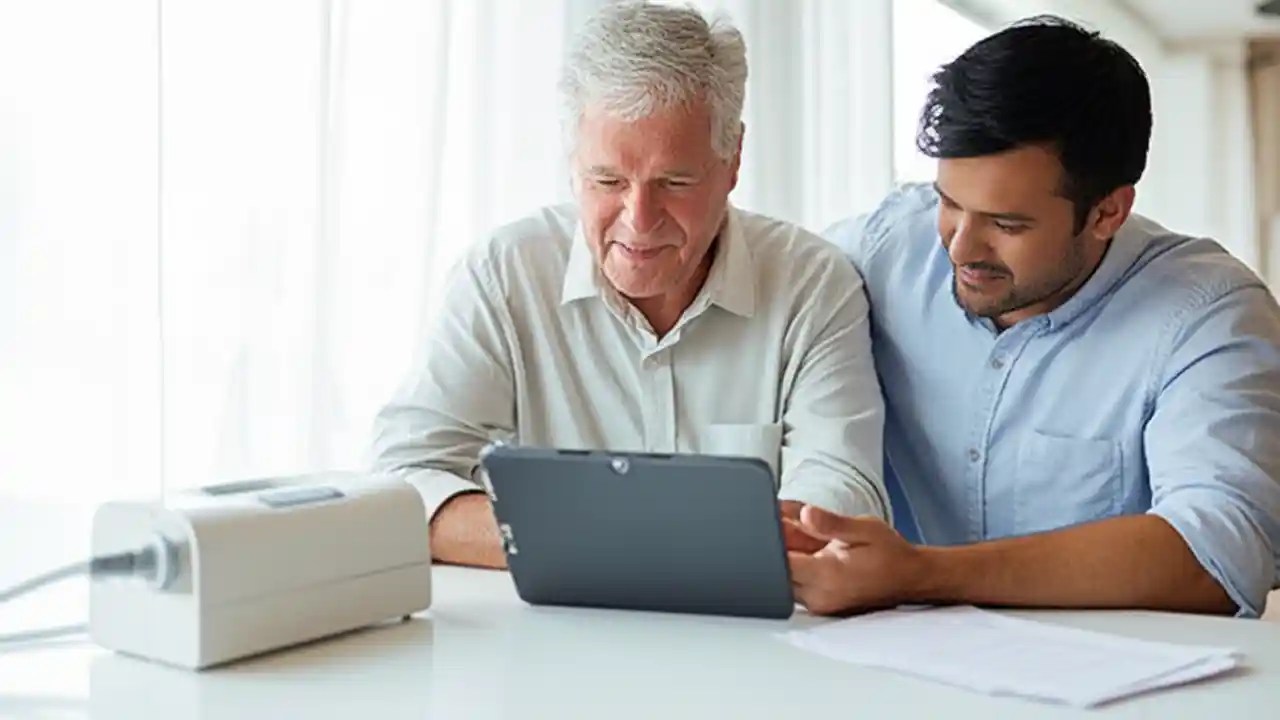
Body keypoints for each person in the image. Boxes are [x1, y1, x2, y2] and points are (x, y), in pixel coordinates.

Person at [791, 16, 1280, 617]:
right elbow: (760, 284)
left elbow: (1219, 552)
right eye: (948, 204)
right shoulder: (887, 247)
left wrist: (919, 573)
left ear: (1107, 212)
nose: (960, 248)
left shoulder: (1209, 315)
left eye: (1006, 224)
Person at [371, 1, 888, 569]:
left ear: (733, 159)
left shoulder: (813, 285)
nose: (638, 219)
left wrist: (590, 539)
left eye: (674, 181)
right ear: (574, 163)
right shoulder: (503, 275)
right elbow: (404, 479)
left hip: (747, 644)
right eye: (607, 180)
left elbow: (842, 500)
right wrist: (606, 545)